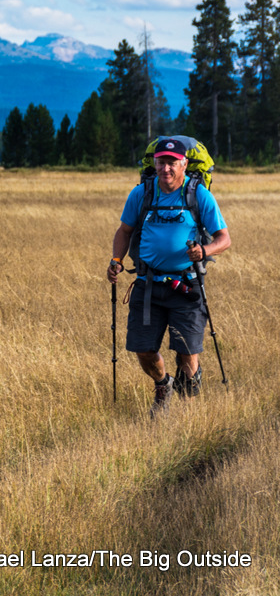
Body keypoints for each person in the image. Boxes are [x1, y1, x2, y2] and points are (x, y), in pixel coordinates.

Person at [106, 137, 230, 417]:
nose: (166, 169)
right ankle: (164, 384)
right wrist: (116, 260)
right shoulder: (141, 193)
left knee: (187, 349)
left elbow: (224, 238)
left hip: (186, 286)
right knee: (143, 349)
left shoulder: (198, 195)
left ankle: (188, 413)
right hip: (147, 285)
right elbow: (124, 231)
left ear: (184, 164)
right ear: (154, 164)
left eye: (172, 163)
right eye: (161, 162)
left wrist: (204, 249)